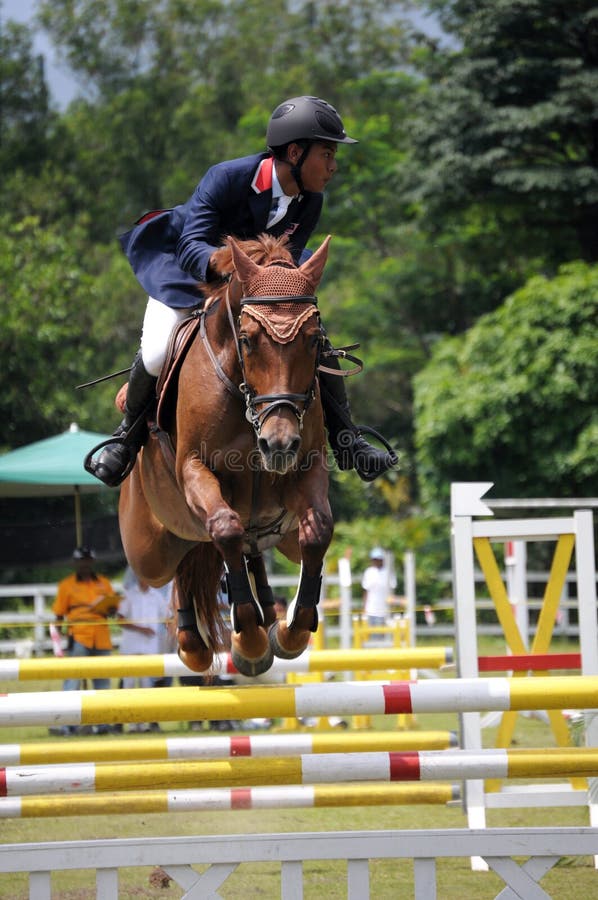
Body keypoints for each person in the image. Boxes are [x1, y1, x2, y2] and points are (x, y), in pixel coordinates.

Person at [87, 95, 397, 488]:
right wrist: (234, 263)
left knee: (313, 340)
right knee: (158, 349)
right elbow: (189, 245)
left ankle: (347, 439)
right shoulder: (227, 177)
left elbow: (289, 259)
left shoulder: (310, 201)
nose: (334, 166)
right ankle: (126, 438)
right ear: (296, 152)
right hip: (185, 274)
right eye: (327, 154)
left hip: (254, 294)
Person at [51, 547, 119, 735]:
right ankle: (67, 724)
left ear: (92, 562)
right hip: (79, 636)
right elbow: (58, 615)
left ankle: (103, 723)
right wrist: (57, 643)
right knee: (72, 681)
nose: (85, 565)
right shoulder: (66, 585)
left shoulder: (104, 583)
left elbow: (113, 609)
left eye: (88, 561)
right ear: (75, 563)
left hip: (101, 637)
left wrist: (109, 607)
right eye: (81, 561)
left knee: (103, 683)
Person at [117, 568, 172, 732]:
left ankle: (147, 721)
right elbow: (120, 620)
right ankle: (132, 723)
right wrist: (141, 629)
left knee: (147, 686)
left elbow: (167, 617)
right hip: (131, 647)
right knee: (129, 685)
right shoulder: (129, 595)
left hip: (150, 647)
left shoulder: (156, 597)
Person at [361, 547, 396, 630]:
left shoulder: (388, 572)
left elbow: (392, 591)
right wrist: (364, 609)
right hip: (370, 610)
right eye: (374, 559)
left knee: (382, 637)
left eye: (378, 559)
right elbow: (366, 591)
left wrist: (392, 608)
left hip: (385, 611)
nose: (376, 561)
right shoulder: (368, 572)